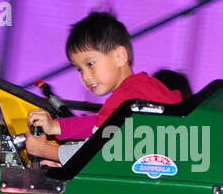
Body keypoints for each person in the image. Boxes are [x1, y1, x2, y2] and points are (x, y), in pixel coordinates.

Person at [23, 11, 183, 165]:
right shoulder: (144, 87)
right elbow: (99, 125)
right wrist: (54, 127)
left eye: (90, 64)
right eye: (79, 69)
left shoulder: (128, 98)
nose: (85, 77)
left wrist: (44, 150)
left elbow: (93, 155)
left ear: (120, 56)